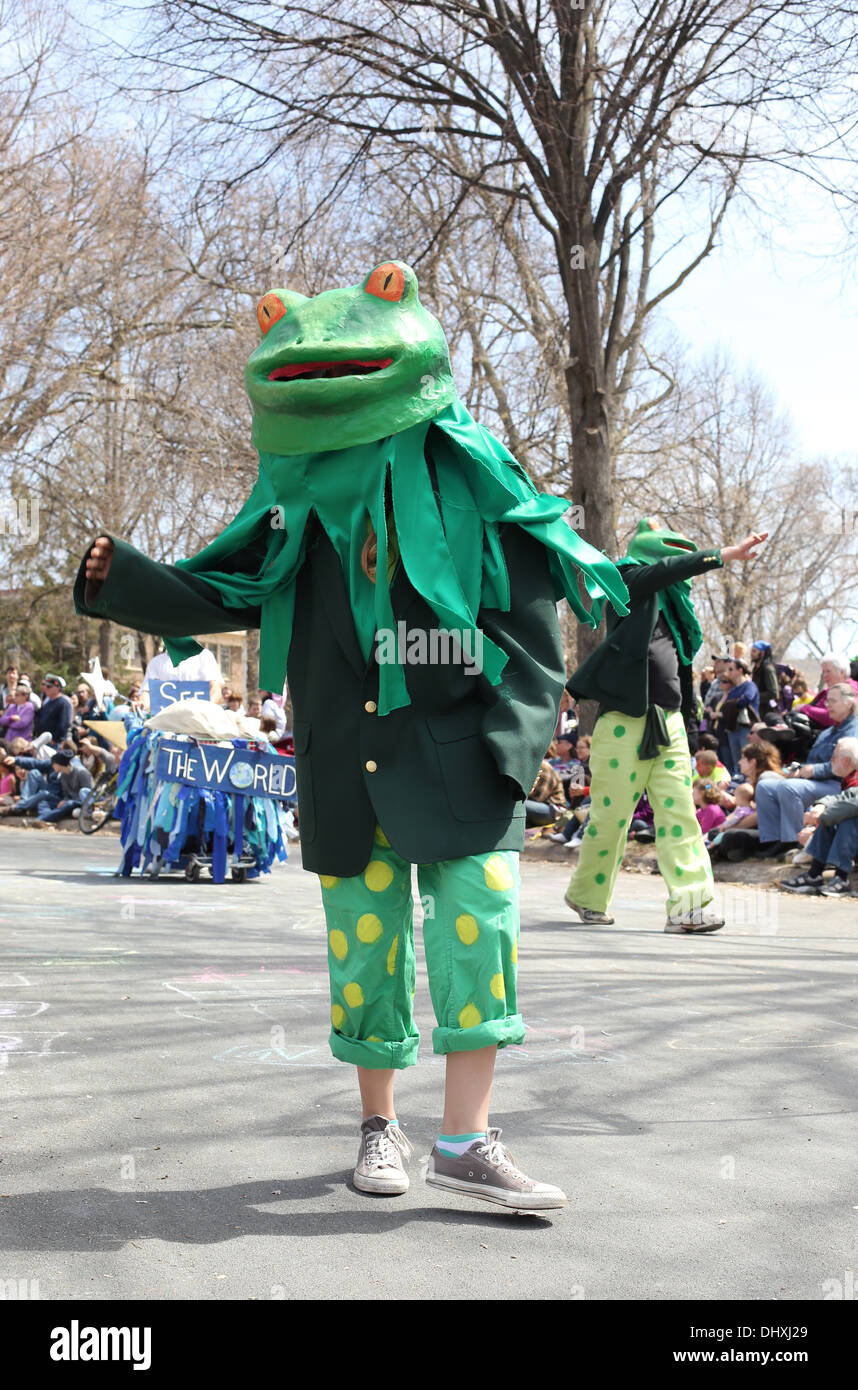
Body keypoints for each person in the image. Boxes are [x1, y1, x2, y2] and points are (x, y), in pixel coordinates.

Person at [74, 259, 633, 1211]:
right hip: (347, 765)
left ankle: (466, 1140)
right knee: (364, 947)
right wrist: (124, 576)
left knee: (480, 930)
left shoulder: (476, 482)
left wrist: (513, 751)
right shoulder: (293, 504)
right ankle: (381, 1129)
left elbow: (533, 625)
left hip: (466, 765)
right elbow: (227, 592)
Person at [564, 517, 768, 932]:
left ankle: (690, 906)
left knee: (680, 815)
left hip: (669, 723)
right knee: (611, 818)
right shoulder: (624, 579)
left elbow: (682, 673)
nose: (680, 563)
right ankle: (587, 895)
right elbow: (661, 573)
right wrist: (721, 556)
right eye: (674, 554)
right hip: (622, 723)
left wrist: (692, 731)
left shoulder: (677, 612)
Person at [754, 684, 858, 857]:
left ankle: (794, 842)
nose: (827, 705)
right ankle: (773, 840)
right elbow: (811, 762)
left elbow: (848, 764)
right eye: (827, 701)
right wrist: (798, 770)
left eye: (832, 701)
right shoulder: (827, 732)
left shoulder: (854, 730)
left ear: (849, 704)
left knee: (789, 788)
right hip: (814, 782)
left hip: (838, 785)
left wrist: (814, 771)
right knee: (765, 785)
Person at [780, 737, 858, 896]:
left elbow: (854, 804)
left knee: (849, 818)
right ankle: (814, 874)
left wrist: (819, 818)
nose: (831, 761)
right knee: (832, 817)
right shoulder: (852, 778)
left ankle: (841, 878)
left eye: (834, 757)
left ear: (846, 760)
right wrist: (820, 806)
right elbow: (844, 797)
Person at [719, 657, 760, 775]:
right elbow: (725, 706)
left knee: (748, 758)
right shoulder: (733, 690)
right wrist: (734, 703)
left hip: (746, 729)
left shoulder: (749, 686)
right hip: (733, 728)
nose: (729, 673)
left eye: (731, 669)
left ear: (740, 670)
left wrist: (733, 704)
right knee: (737, 762)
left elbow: (746, 699)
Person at [801, 654, 858, 729]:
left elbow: (833, 717)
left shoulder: (851, 690)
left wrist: (805, 708)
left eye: (828, 671)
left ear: (842, 672)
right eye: (823, 672)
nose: (825, 675)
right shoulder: (828, 691)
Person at [34, 675, 73, 746]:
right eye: (46, 686)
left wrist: (55, 739)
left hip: (54, 743)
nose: (46, 688)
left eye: (49, 687)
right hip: (43, 741)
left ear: (58, 688)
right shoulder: (47, 702)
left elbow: (64, 724)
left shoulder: (64, 703)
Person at [751, 641, 780, 717]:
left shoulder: (768, 669)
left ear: (762, 653)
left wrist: (754, 697)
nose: (751, 653)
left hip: (766, 712)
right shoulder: (756, 669)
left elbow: (773, 693)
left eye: (754, 651)